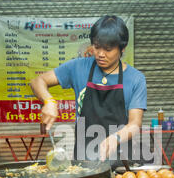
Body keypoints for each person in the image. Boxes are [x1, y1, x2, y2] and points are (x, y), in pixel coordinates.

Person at [30, 15, 147, 162]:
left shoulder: (135, 78)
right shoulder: (77, 67)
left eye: (108, 49)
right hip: (84, 161)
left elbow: (135, 124)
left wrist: (115, 138)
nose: (100, 54)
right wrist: (48, 101)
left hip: (122, 161)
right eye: (97, 47)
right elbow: (37, 81)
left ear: (122, 48)